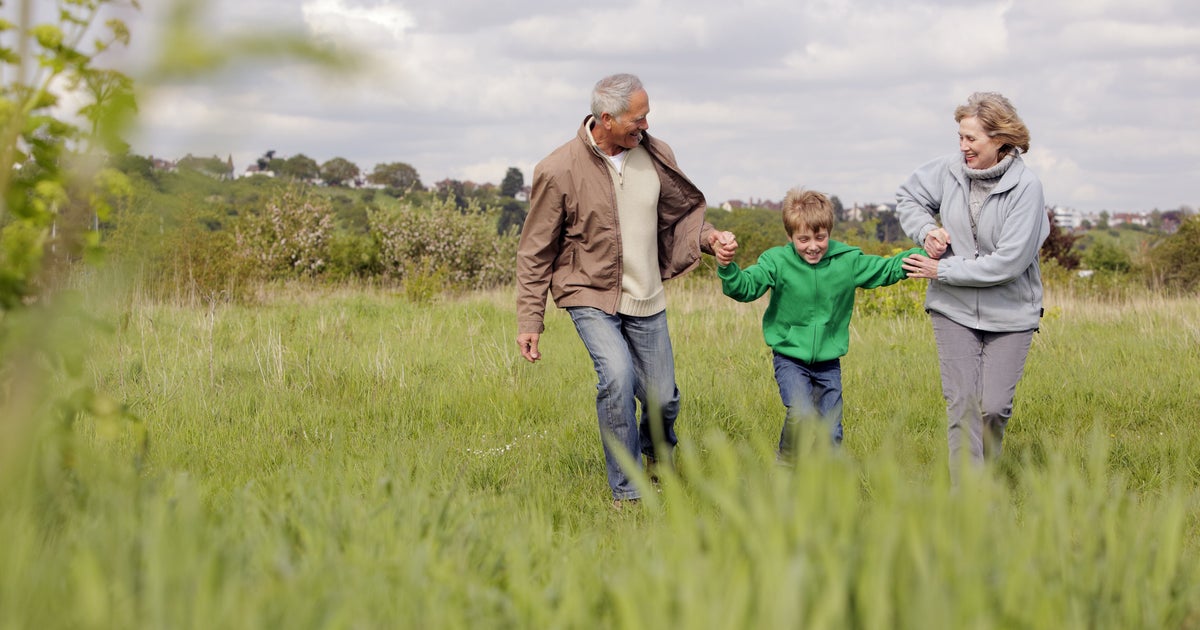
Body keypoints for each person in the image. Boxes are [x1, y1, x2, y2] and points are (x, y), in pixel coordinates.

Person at [515, 73, 737, 509]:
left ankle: (657, 460)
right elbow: (534, 251)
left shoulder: (656, 155)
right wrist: (530, 319)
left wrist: (710, 240)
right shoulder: (558, 170)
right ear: (606, 119)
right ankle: (628, 493)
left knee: (663, 397)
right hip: (589, 294)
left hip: (646, 295)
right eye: (639, 118)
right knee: (616, 378)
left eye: (647, 115)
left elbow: (680, 218)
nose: (647, 126)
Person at [897, 92, 1050, 484]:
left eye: (971, 139)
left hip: (1011, 313)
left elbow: (1009, 263)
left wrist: (942, 269)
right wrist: (926, 230)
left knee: (993, 407)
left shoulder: (1026, 188)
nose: (963, 147)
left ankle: (983, 474)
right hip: (953, 309)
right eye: (960, 137)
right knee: (962, 404)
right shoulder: (948, 170)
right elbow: (909, 197)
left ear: (1000, 139)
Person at [717, 188, 924, 462]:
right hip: (790, 357)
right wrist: (728, 267)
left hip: (828, 363)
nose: (813, 245)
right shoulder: (776, 262)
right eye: (803, 239)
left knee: (832, 433)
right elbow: (744, 288)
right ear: (790, 237)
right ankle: (787, 462)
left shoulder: (847, 261)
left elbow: (886, 269)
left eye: (820, 237)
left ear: (829, 232)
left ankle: (824, 483)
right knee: (801, 413)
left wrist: (924, 251)